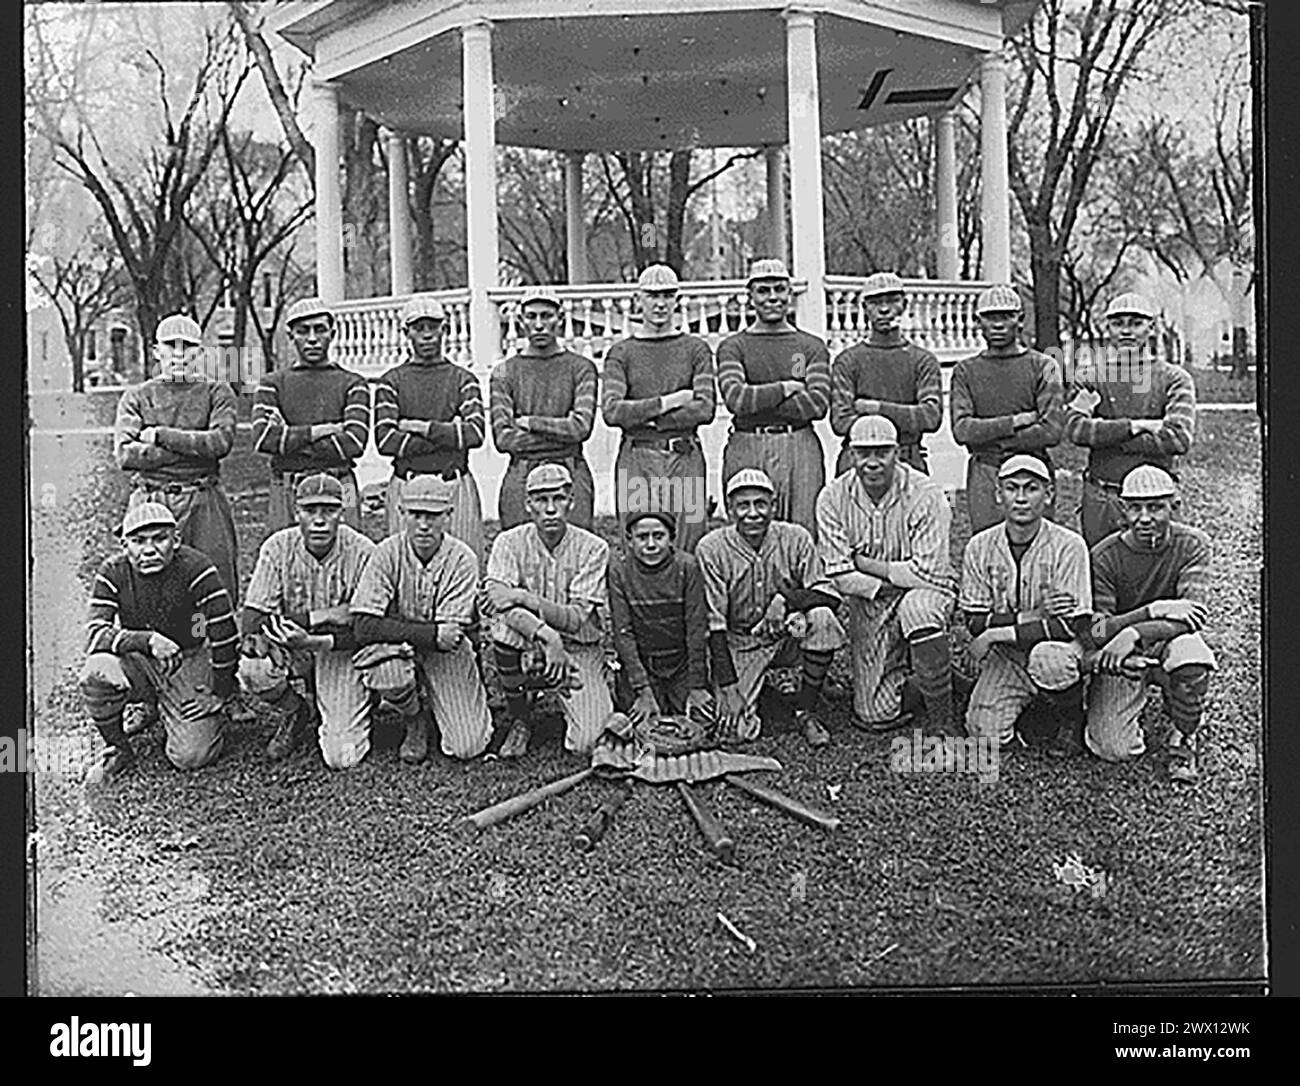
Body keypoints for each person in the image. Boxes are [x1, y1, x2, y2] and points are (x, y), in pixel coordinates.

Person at [816, 416, 958, 732]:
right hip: (871, 599)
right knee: (874, 713)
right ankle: (935, 679)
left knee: (917, 609)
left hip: (926, 591)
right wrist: (886, 582)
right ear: (851, 454)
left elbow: (929, 572)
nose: (873, 462)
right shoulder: (832, 497)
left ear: (897, 452)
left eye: (882, 452)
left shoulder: (926, 492)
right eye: (864, 453)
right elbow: (838, 573)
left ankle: (942, 720)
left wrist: (865, 564)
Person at [80, 502, 239, 782]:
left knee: (191, 756)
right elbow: (95, 634)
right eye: (139, 541)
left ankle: (191, 714)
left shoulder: (197, 567)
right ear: (124, 544)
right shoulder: (113, 572)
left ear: (176, 540)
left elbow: (223, 631)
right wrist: (147, 640)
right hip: (142, 658)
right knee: (97, 670)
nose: (149, 550)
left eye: (160, 539)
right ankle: (117, 748)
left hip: (187, 657)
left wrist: (220, 691)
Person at [1080, 466, 1215, 782]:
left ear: (1174, 506)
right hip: (1121, 653)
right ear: (1122, 509)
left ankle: (1184, 735)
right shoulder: (1103, 555)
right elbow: (1096, 630)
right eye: (1135, 508)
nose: (1144, 518)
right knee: (1112, 748)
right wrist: (1150, 612)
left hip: (1162, 641)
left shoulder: (1193, 545)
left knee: (1192, 655)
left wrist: (1134, 632)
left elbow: (1193, 616)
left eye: (1155, 507)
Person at [348, 475, 493, 764]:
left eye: (433, 515)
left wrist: (404, 630)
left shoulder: (463, 558)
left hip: (444, 654)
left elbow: (449, 638)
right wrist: (428, 634)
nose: (424, 525)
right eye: (416, 515)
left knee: (468, 746)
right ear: (401, 513)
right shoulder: (386, 552)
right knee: (387, 671)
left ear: (449, 515)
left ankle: (441, 703)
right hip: (399, 650)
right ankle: (414, 718)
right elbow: (363, 625)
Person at [696, 468, 845, 747]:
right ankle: (766, 693)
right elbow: (714, 627)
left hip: (790, 631)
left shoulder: (795, 537)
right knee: (736, 731)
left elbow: (829, 594)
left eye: (760, 504)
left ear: (773, 506)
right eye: (743, 505)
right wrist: (728, 689)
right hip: (741, 640)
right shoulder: (711, 548)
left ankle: (805, 710)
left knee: (822, 620)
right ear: (730, 510)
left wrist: (785, 601)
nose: (753, 513)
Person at [237, 474, 376, 769]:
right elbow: (251, 623)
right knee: (253, 666)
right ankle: (295, 711)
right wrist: (323, 615)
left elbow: (370, 625)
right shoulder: (278, 547)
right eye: (310, 511)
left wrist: (308, 631)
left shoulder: (363, 550)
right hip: (293, 646)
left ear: (342, 512)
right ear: (296, 511)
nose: (319, 521)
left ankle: (358, 701)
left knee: (341, 757)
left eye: (329, 511)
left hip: (340, 651)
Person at [959, 455, 1092, 753]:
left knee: (1049, 660)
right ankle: (1038, 706)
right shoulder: (979, 546)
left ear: (1048, 496)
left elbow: (1070, 625)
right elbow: (974, 621)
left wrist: (994, 632)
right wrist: (1034, 615)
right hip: (1009, 656)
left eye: (1031, 488)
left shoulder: (1069, 546)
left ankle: (1072, 718)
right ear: (998, 494)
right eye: (1011, 488)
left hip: (1058, 650)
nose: (1020, 498)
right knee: (984, 734)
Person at [483, 463, 613, 759]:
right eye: (541, 500)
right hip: (529, 641)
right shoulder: (509, 541)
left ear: (572, 502)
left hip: (578, 646)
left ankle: (590, 690)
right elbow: (498, 603)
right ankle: (520, 717)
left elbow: (576, 618)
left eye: (558, 499)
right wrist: (547, 636)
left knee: (586, 742)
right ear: (528, 505)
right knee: (503, 628)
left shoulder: (594, 547)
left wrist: (524, 598)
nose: (551, 509)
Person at [113, 313, 240, 601]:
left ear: (200, 351)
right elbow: (126, 454)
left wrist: (160, 435)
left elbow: (219, 443)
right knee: (146, 584)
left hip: (203, 498)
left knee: (213, 584)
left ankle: (211, 645)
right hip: (150, 497)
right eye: (171, 345)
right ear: (157, 351)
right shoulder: (137, 396)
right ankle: (152, 644)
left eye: (188, 346)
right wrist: (193, 447)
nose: (180, 354)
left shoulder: (216, 392)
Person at [1064, 292, 1197, 547]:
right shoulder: (1090, 378)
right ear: (1108, 327)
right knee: (1100, 572)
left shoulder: (1174, 379)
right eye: (1118, 323)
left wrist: (1106, 435)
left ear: (1151, 327)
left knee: (1156, 575)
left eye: (1135, 323)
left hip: (1155, 502)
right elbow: (1076, 430)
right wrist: (1137, 426)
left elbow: (1178, 438)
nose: (1126, 331)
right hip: (1103, 496)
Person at [602, 264, 717, 552]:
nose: (660, 303)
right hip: (637, 455)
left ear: (677, 299)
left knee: (689, 541)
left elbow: (704, 408)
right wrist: (671, 401)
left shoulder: (695, 349)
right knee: (639, 540)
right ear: (637, 299)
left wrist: (646, 416)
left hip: (684, 455)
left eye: (667, 295)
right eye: (652, 296)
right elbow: (613, 411)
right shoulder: (621, 353)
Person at [717, 259, 830, 539]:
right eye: (763, 290)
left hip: (799, 444)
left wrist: (759, 396)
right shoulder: (734, 346)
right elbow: (736, 399)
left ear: (789, 293)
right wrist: (785, 387)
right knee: (747, 528)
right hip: (748, 442)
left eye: (779, 289)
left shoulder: (805, 347)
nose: (772, 298)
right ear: (750, 296)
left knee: (803, 531)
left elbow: (816, 403)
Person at [373, 294, 486, 559]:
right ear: (406, 332)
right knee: (402, 568)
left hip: (453, 483)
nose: (426, 335)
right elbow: (387, 441)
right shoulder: (391, 381)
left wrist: (420, 428)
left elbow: (475, 433)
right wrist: (448, 432)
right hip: (407, 482)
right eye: (418, 328)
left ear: (444, 329)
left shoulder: (463, 379)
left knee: (464, 566)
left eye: (432, 326)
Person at [950, 285, 1064, 534]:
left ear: (1020, 320)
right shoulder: (966, 371)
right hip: (987, 472)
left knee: (1038, 547)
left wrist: (990, 437)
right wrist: (1014, 421)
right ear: (979, 322)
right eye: (990, 317)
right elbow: (962, 430)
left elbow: (1051, 431)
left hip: (1032, 469)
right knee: (987, 548)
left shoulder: (1044, 366)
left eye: (1006, 316)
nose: (998, 325)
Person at [251, 297, 370, 531]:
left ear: (333, 333)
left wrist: (289, 437)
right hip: (287, 483)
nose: (313, 338)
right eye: (303, 331)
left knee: (351, 548)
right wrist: (322, 431)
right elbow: (263, 439)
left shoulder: (354, 383)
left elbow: (354, 443)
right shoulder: (272, 384)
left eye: (320, 329)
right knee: (284, 553)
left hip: (342, 481)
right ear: (291, 336)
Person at [489, 286, 598, 531]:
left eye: (546, 316)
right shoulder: (504, 372)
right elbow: (504, 438)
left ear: (560, 319)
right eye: (532, 316)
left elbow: (580, 428)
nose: (539, 325)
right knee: (520, 551)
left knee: (576, 550)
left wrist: (530, 423)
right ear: (520, 320)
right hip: (522, 472)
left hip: (571, 469)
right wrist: (560, 431)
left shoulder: (581, 368)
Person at [829, 272, 943, 476]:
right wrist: (906, 416)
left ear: (904, 305)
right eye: (875, 302)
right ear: (864, 308)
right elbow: (841, 421)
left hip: (908, 458)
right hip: (858, 459)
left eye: (892, 301)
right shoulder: (847, 361)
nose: (884, 309)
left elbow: (930, 417)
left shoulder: (923, 360)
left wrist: (874, 408)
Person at [608, 509, 712, 727]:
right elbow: (623, 633)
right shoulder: (620, 571)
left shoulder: (687, 567)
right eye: (642, 537)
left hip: (680, 663)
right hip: (644, 664)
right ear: (629, 540)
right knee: (641, 726)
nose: (651, 545)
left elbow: (696, 628)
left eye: (659, 536)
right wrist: (642, 689)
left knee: (701, 723)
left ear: (671, 538)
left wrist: (697, 686)